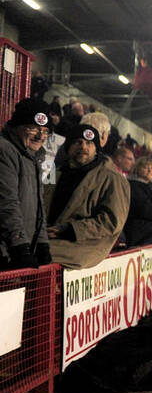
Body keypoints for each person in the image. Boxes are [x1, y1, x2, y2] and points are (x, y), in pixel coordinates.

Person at [45, 113, 129, 269]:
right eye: (78, 142)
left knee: (35, 253)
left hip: (84, 244)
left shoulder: (112, 178)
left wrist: (70, 230)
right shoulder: (56, 173)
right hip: (50, 236)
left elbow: (111, 221)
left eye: (89, 143)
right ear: (68, 147)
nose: (83, 147)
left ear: (96, 148)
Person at [0, 97, 53, 269]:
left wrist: (42, 242)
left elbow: (38, 205)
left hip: (17, 247)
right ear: (18, 126)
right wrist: (19, 246)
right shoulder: (5, 151)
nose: (40, 136)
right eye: (33, 128)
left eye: (45, 131)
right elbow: (6, 203)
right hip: (6, 250)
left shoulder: (33, 156)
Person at [122, 156, 152, 247]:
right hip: (138, 236)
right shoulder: (132, 186)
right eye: (145, 167)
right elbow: (144, 208)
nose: (150, 171)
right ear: (137, 168)